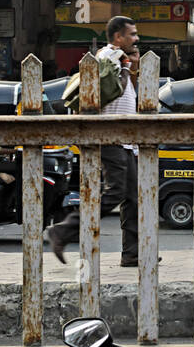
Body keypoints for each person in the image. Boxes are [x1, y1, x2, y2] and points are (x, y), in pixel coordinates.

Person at [48, 16, 142, 267]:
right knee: (116, 192)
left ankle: (132, 253)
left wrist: (131, 67)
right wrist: (126, 67)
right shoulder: (108, 56)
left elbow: (128, 93)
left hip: (125, 139)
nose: (136, 38)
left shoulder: (121, 60)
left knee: (133, 197)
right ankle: (63, 231)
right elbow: (117, 89)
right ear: (118, 37)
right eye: (131, 34)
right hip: (109, 136)